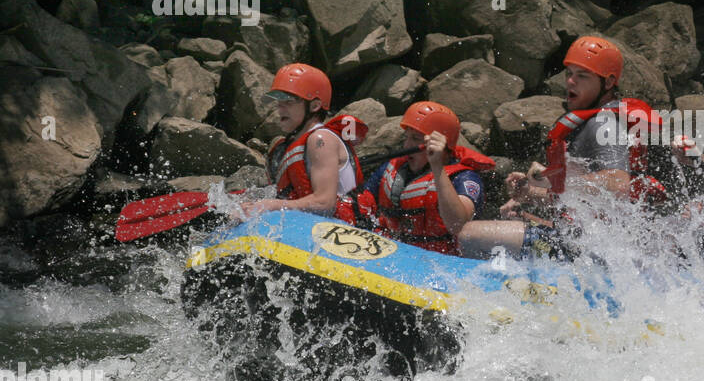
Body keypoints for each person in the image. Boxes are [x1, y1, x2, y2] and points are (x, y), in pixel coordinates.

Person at [456, 36, 668, 260]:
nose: (570, 82)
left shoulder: (603, 125)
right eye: (569, 74)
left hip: (591, 253)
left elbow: (618, 185)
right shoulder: (588, 123)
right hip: (587, 244)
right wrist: (530, 194)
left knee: (470, 234)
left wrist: (552, 179)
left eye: (582, 76)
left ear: (607, 83)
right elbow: (580, 199)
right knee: (503, 225)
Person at [353, 102, 494, 254]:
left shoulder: (465, 178)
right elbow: (363, 203)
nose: (407, 145)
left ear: (440, 146)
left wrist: (437, 167)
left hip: (439, 260)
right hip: (390, 249)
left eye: (416, 138)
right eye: (406, 137)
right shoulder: (393, 168)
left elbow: (457, 226)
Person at [242, 63, 366, 220]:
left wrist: (271, 205)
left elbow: (324, 203)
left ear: (314, 106)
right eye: (279, 102)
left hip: (345, 231)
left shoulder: (321, 140)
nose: (280, 109)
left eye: (289, 101)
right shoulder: (290, 144)